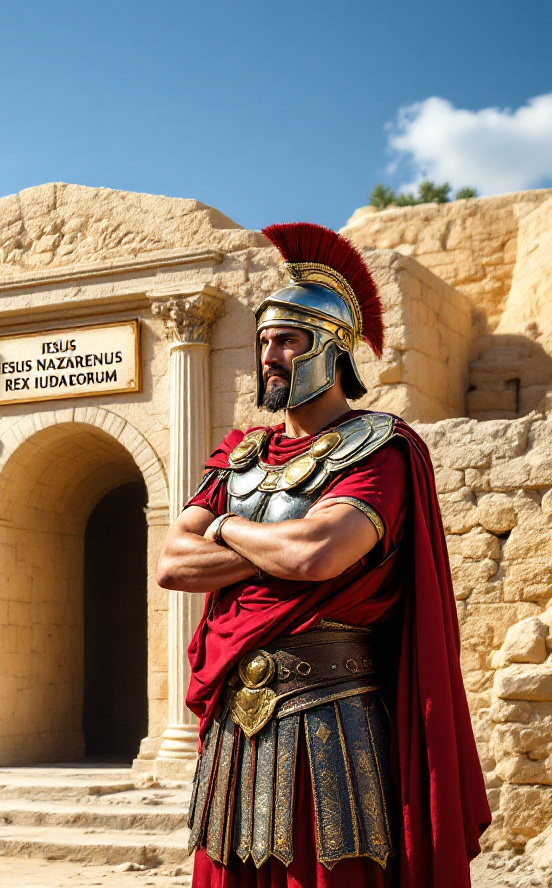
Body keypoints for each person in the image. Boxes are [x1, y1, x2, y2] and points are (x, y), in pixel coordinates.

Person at [157, 223, 489, 888]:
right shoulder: (239, 455)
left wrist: (224, 530)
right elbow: (171, 562)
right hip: (237, 719)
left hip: (332, 720)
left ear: (333, 348)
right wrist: (263, 544)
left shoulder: (380, 449)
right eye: (264, 342)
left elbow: (317, 555)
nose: (271, 356)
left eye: (288, 340)